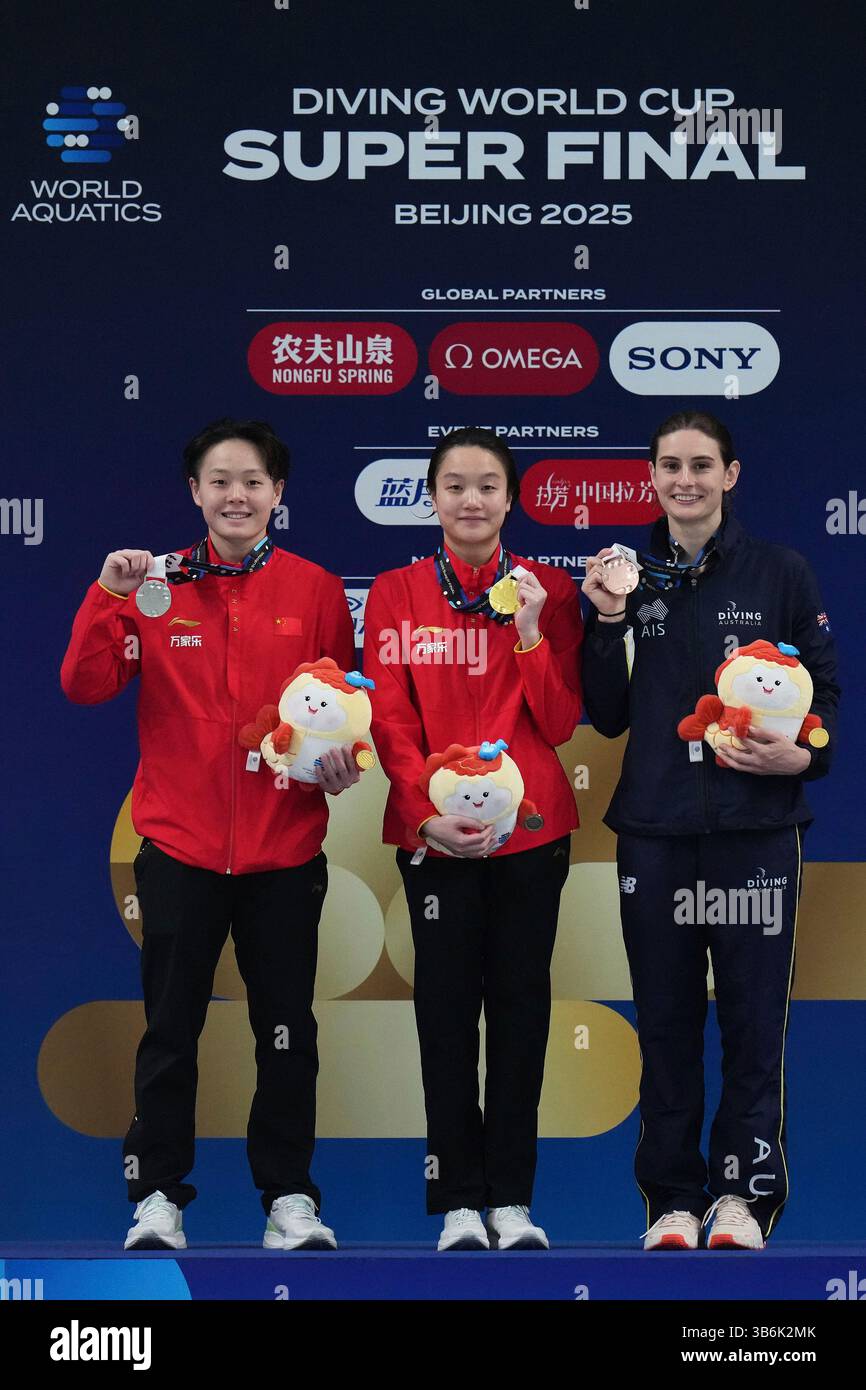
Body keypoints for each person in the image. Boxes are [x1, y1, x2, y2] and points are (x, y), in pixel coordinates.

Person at [61, 417, 359, 1251]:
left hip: (285, 850)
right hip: (180, 849)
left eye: (253, 481)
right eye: (220, 481)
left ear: (278, 495)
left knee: (288, 1032)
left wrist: (341, 766)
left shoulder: (316, 591)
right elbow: (84, 683)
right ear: (195, 492)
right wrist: (108, 594)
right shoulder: (154, 587)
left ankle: (290, 1199)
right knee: (170, 1032)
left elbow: (341, 714)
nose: (237, 495)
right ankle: (158, 1196)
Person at [581, 410, 839, 1251]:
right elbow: (606, 714)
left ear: (730, 476)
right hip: (653, 833)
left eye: (701, 465)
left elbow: (825, 703)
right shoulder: (629, 576)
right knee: (664, 1023)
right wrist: (608, 620)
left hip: (757, 833)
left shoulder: (781, 573)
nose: (683, 480)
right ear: (650, 477)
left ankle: (742, 1198)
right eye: (668, 466)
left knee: (754, 1024)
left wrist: (802, 758)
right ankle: (672, 1203)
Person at [363, 426, 583, 1251]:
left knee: (522, 1012)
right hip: (435, 838)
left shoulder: (549, 590)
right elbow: (387, 713)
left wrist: (528, 628)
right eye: (454, 485)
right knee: (447, 1014)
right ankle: (459, 1199)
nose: (471, 500)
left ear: (511, 499)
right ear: (431, 498)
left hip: (532, 836)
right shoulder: (395, 592)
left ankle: (513, 1202)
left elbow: (561, 720)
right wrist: (425, 814)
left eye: (487, 485)